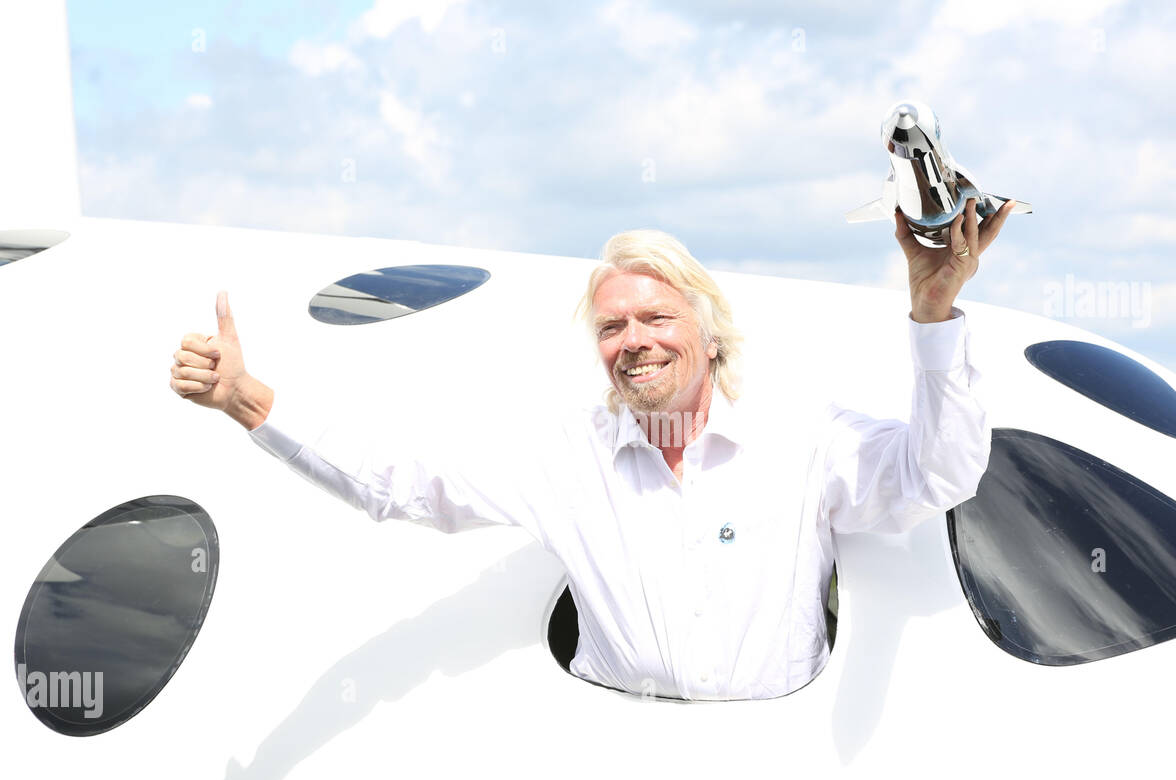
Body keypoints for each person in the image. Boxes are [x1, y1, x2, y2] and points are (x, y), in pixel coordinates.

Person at [170, 199, 1013, 701]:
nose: (634, 341)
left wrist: (934, 316)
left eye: (656, 319)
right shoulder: (566, 457)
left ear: (708, 334)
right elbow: (403, 482)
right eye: (613, 326)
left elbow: (938, 471)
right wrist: (245, 398)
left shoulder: (803, 436)